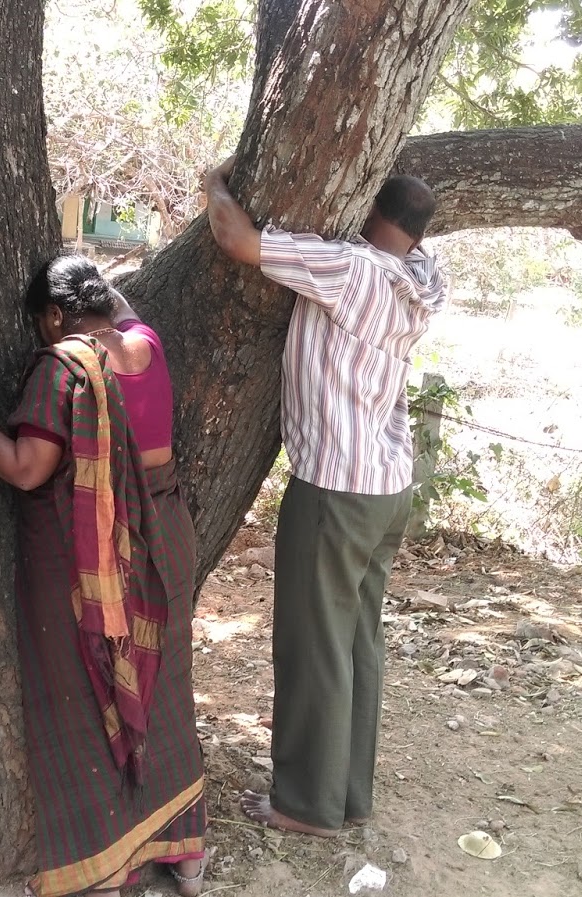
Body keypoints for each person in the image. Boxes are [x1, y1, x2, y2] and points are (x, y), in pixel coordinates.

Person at [0, 256, 207, 897]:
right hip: (164, 538)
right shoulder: (145, 347)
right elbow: (122, 311)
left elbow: (27, 467)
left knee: (91, 700)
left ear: (53, 316)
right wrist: (93, 278)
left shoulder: (62, 368)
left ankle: (105, 870)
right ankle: (185, 857)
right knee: (163, 696)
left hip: (99, 563)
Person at [204, 158, 449, 838]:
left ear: (370, 209)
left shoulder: (350, 269)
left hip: (335, 487)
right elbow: (410, 239)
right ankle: (347, 791)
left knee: (314, 646)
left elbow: (238, 240)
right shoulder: (423, 280)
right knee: (356, 643)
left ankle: (305, 803)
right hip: (387, 487)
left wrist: (216, 184)